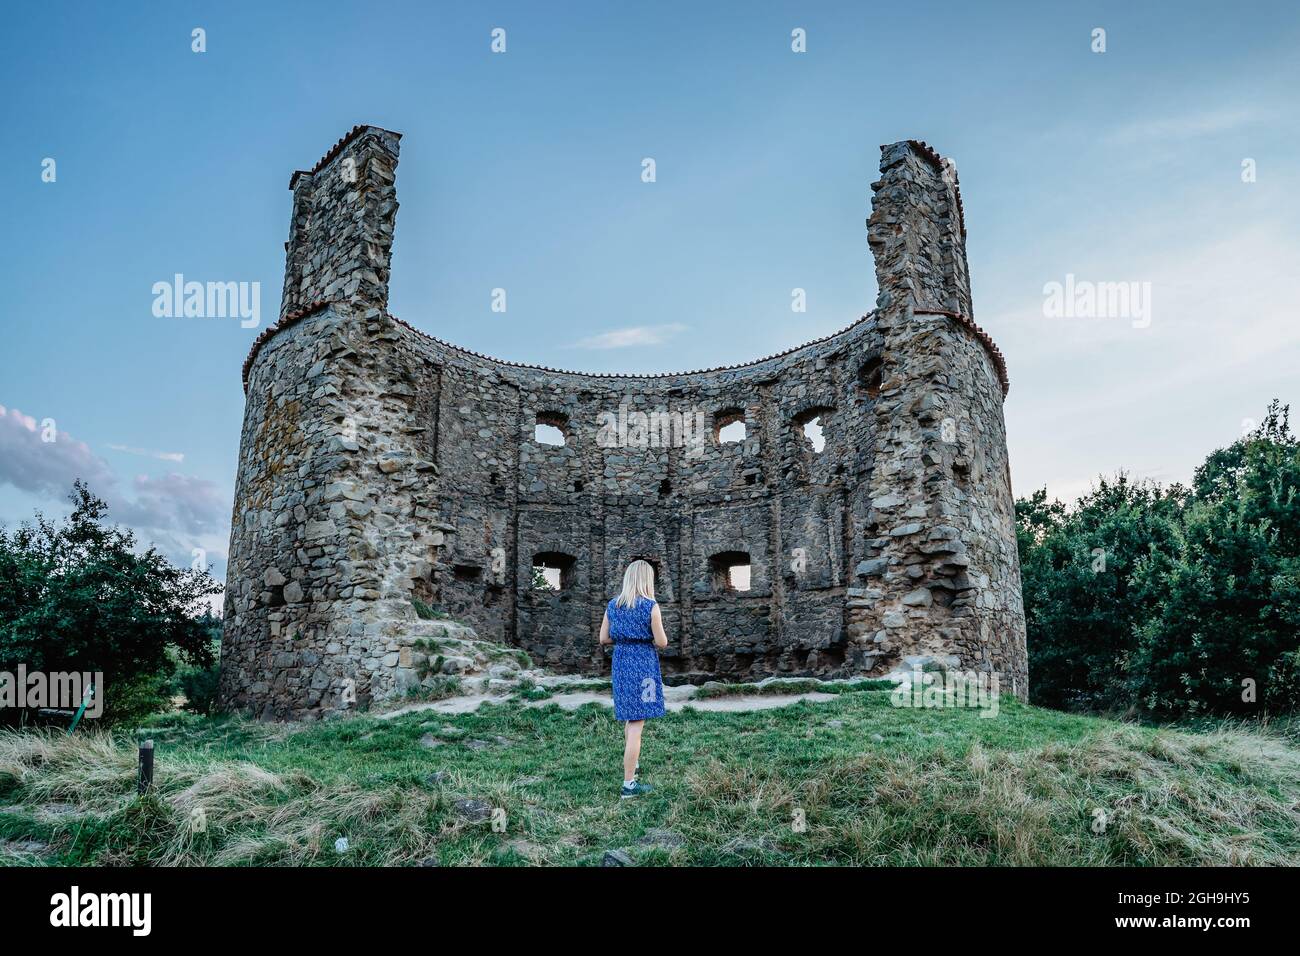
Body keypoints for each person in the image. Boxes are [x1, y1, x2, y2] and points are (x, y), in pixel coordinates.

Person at [598, 559, 669, 799]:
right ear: (647, 580)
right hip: (644, 665)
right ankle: (629, 785)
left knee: (631, 717)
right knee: (638, 723)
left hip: (621, 662)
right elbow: (662, 642)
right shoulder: (651, 606)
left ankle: (633, 762)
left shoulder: (613, 605)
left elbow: (604, 638)